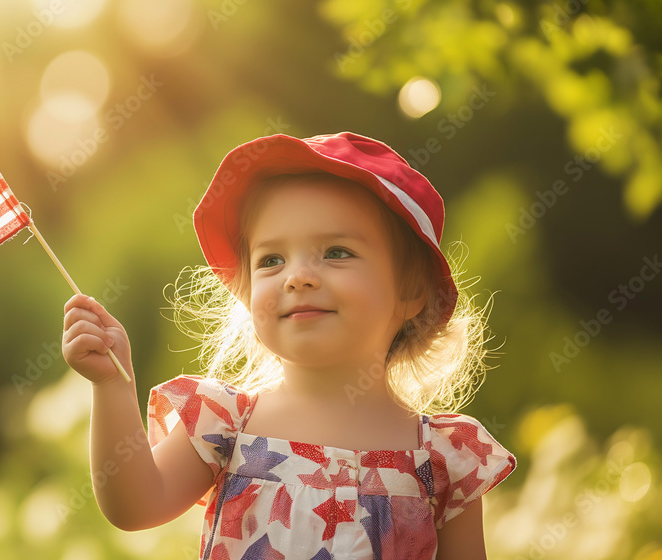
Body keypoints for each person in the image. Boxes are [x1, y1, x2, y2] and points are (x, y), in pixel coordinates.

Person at [62, 132, 517, 559]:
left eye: (337, 251)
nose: (296, 276)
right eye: (272, 260)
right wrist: (111, 386)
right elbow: (134, 505)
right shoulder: (227, 424)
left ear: (411, 291)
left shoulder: (443, 458)